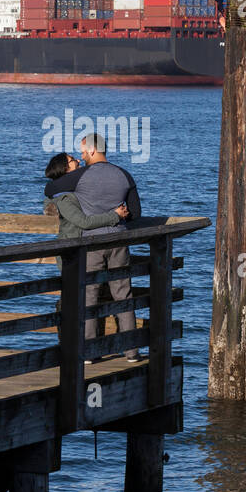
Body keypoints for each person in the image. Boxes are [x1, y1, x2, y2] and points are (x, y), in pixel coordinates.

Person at [72, 133, 142, 361]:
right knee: (123, 293)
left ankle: (90, 352)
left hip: (92, 240)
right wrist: (117, 216)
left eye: (82, 152)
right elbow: (136, 213)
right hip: (118, 240)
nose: (81, 157)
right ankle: (131, 351)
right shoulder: (124, 174)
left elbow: (50, 189)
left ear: (92, 150)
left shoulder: (80, 175)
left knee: (89, 294)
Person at [43, 153, 129, 239]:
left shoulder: (71, 190)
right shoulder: (63, 199)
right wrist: (116, 215)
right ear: (65, 168)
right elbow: (84, 222)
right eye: (73, 160)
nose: (78, 160)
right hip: (72, 247)